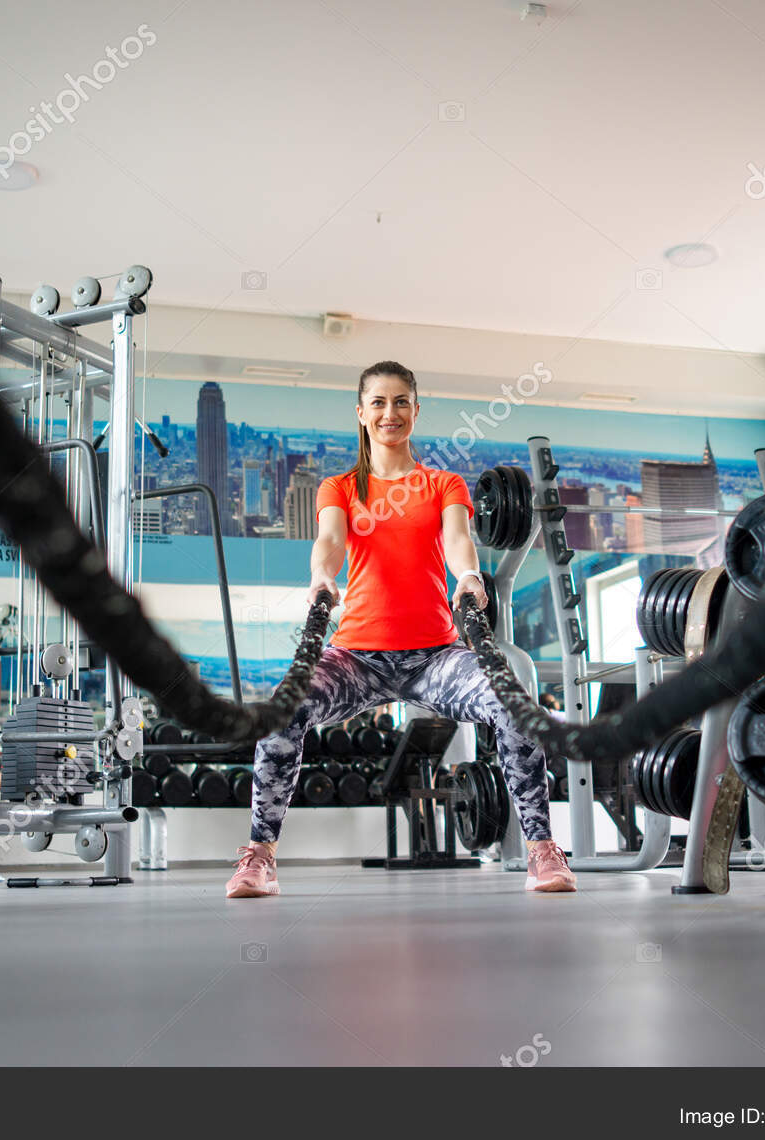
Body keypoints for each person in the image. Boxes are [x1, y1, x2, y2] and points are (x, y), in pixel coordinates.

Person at [227, 360, 575, 897]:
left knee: (513, 704)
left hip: (435, 656)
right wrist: (322, 577)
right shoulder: (339, 486)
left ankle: (541, 850)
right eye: (379, 403)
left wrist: (468, 575)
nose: (390, 413)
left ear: (416, 409)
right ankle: (260, 857)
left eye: (401, 402)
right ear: (361, 413)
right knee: (284, 710)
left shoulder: (442, 483)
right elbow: (331, 543)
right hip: (357, 657)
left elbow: (459, 539)